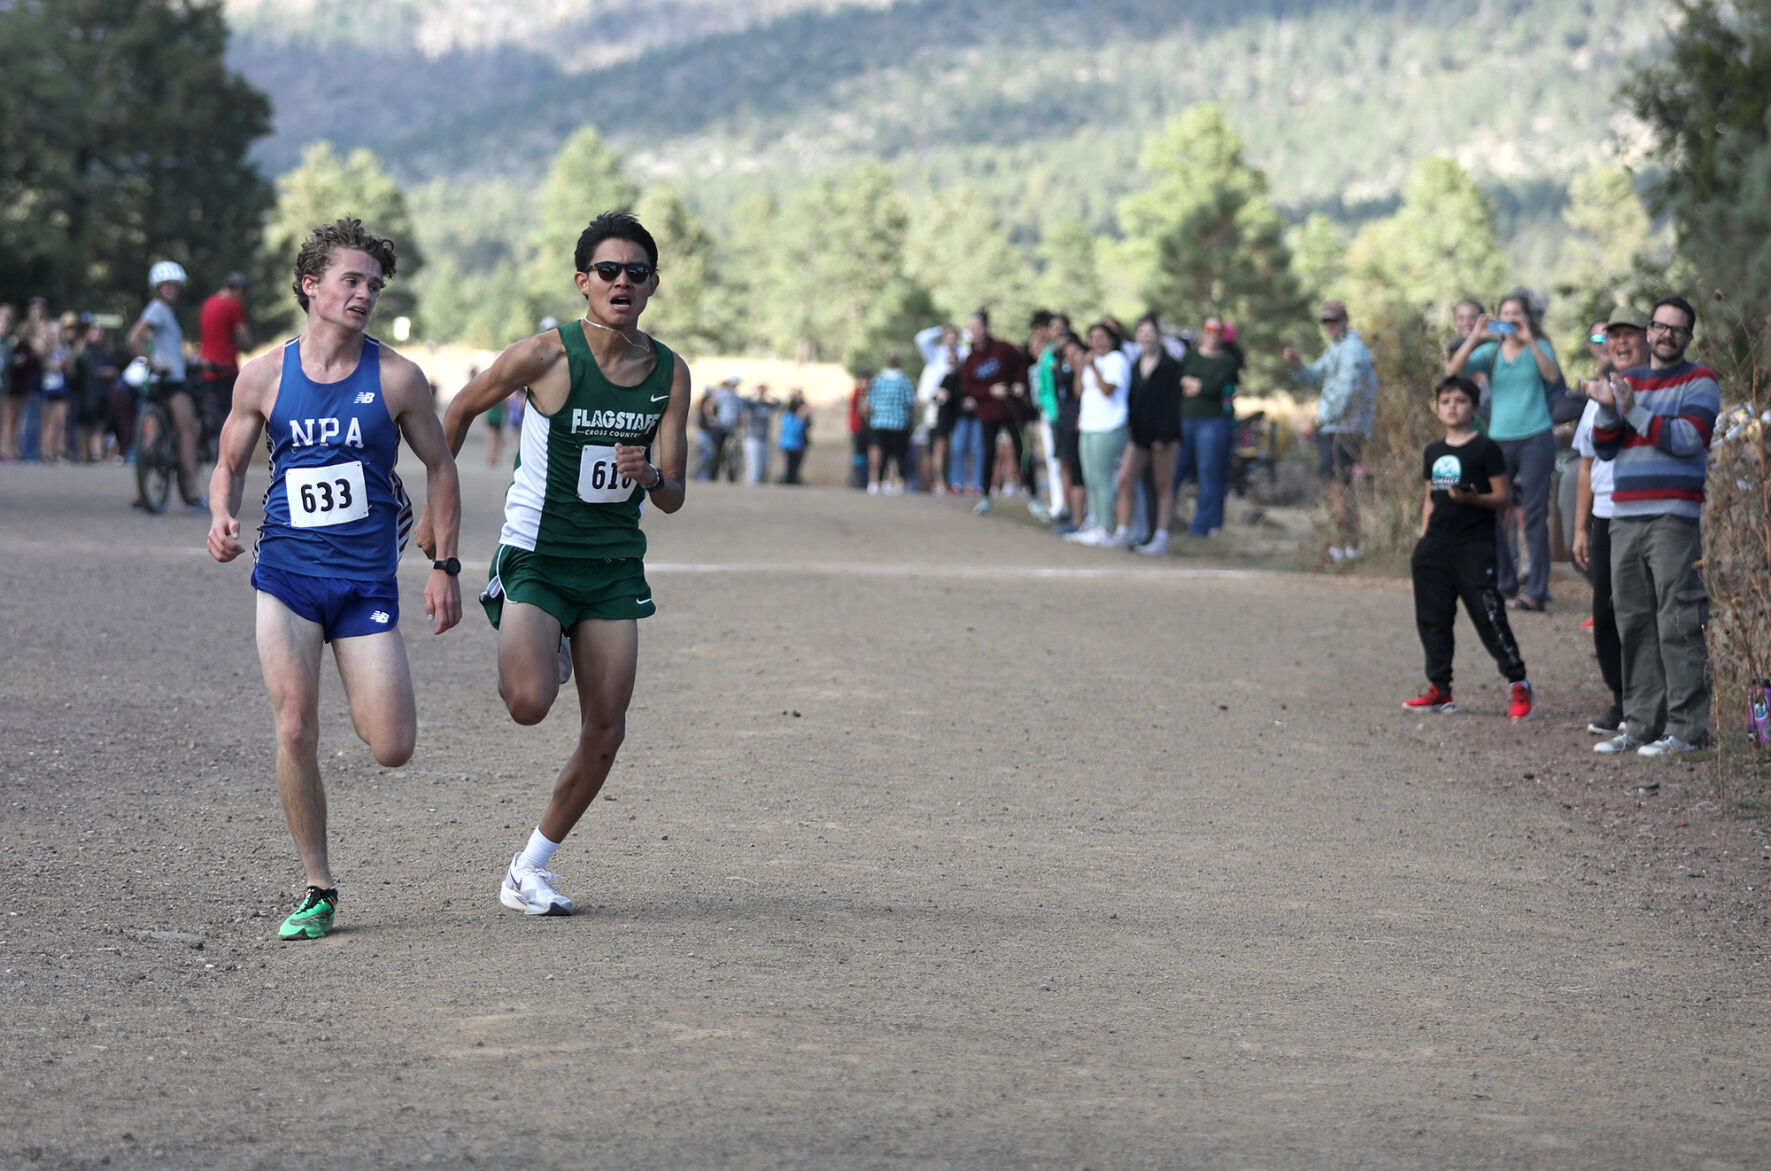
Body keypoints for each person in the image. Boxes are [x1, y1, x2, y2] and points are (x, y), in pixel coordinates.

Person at [425, 210, 690, 916]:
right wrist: (432, 509)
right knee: (528, 703)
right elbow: (456, 412)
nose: (621, 283)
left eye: (636, 272)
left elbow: (675, 496)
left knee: (606, 728)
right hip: (537, 558)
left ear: (653, 284)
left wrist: (650, 475)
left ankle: (529, 865)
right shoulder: (543, 355)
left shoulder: (669, 373)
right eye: (608, 271)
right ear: (583, 281)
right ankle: (544, 641)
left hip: (611, 568)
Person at [206, 217, 463, 940]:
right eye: (351, 281)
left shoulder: (395, 377)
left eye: (374, 285)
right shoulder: (261, 375)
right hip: (286, 573)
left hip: (364, 581)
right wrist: (221, 515)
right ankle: (318, 885)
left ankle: (363, 666)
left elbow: (441, 466)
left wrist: (444, 563)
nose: (364, 295)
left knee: (393, 745)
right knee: (294, 726)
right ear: (310, 286)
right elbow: (227, 462)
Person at [1587, 295, 1718, 756]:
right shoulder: (1630, 380)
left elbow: (1686, 439)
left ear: (1687, 337)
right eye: (1659, 326)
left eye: (1676, 329)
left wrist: (1632, 408)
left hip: (1671, 518)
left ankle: (1687, 731)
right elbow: (1605, 448)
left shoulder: (1700, 381)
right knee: (1634, 622)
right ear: (1649, 331)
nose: (1666, 335)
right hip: (1624, 516)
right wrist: (1608, 407)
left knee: (1678, 619)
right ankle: (1641, 725)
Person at [1403, 376, 1533, 719]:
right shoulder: (1433, 450)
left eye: (1460, 401)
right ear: (1436, 407)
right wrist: (1424, 537)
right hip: (1435, 546)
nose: (1452, 407)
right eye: (1445, 401)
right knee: (1433, 619)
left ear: (1474, 408)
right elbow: (1430, 497)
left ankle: (1518, 684)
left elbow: (1504, 497)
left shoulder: (1486, 448)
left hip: (1474, 547)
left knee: (1489, 616)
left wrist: (1474, 497)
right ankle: (1440, 690)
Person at [1446, 290, 1564, 610]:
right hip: (1499, 440)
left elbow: (1552, 377)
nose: (1511, 318)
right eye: (1506, 312)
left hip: (1536, 439)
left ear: (1526, 317)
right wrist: (1475, 336)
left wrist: (1529, 339)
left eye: (1517, 313)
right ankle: (1504, 582)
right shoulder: (1491, 353)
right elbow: (1453, 372)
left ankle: (1536, 591)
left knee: (1535, 516)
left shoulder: (1540, 348)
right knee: (1495, 513)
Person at [1570, 307, 1651, 737]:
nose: (1618, 345)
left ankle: (1655, 702)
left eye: (1627, 335)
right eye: (1608, 337)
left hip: (1647, 514)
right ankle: (1621, 699)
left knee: (1646, 611)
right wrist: (1580, 527)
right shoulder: (1596, 395)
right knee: (1605, 611)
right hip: (1605, 515)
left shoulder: (1658, 389)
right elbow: (1586, 465)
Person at [1286, 299, 1377, 562]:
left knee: (1338, 487)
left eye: (1333, 320)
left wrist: (1317, 421)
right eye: (1325, 321)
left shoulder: (1351, 350)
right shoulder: (1338, 348)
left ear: (1345, 321)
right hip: (1340, 427)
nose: (1329, 325)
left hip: (1343, 428)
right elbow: (1316, 376)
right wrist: (1297, 365)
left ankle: (1340, 545)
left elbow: (1346, 394)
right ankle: (1350, 546)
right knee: (1342, 487)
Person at [128, 261, 207, 509]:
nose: (171, 289)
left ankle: (142, 494)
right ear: (157, 287)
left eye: (175, 285)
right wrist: (152, 362)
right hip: (171, 382)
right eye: (166, 285)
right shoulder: (158, 310)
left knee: (158, 433)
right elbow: (135, 337)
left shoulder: (164, 312)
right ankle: (192, 491)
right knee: (188, 431)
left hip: (163, 379)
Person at [1115, 315, 1182, 554]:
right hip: (1139, 435)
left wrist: (1164, 436)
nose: (1146, 337)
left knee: (1162, 484)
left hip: (1163, 436)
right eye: (1141, 332)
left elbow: (1173, 404)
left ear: (1158, 335)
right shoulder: (1135, 365)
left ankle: (1161, 537)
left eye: (1150, 332)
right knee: (1125, 480)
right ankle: (1123, 532)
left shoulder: (1171, 366)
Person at [1172, 314, 1241, 538]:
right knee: (1176, 469)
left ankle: (1204, 525)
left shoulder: (1227, 361)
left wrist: (1198, 385)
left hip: (1213, 422)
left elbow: (1214, 387)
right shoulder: (1190, 357)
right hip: (1185, 419)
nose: (1213, 335)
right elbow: (1179, 381)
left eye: (1218, 331)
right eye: (1209, 329)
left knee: (1209, 472)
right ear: (1204, 331)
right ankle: (1165, 520)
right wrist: (1200, 385)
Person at [957, 309, 1029, 514]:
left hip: (1011, 409)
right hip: (987, 413)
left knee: (1021, 450)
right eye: (971, 328)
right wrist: (989, 390)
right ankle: (986, 496)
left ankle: (1031, 494)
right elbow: (968, 387)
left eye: (978, 327)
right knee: (987, 453)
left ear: (986, 327)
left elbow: (1021, 363)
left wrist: (1018, 383)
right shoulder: (970, 359)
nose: (975, 331)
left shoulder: (1003, 348)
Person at [1065, 323, 1130, 546]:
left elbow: (1107, 390)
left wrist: (1093, 367)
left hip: (1109, 425)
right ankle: (1095, 522)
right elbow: (1079, 392)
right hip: (1089, 425)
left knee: (1103, 478)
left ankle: (1106, 525)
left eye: (1102, 336)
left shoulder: (1116, 360)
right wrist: (1081, 369)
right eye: (1093, 337)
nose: (1098, 341)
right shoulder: (1094, 361)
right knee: (1091, 477)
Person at [915, 324, 966, 494]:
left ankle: (954, 482)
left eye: (954, 336)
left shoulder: (963, 353)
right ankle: (937, 482)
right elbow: (921, 339)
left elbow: (975, 342)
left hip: (957, 406)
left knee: (957, 447)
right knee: (937, 445)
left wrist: (964, 331)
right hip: (938, 407)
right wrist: (939, 329)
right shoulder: (936, 355)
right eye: (948, 335)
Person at [198, 272, 252, 420]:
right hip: (226, 367)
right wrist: (241, 343)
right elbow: (243, 336)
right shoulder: (232, 305)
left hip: (206, 366)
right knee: (230, 415)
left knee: (211, 411)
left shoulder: (207, 303)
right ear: (239, 290)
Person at [865, 352, 915, 494]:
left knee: (883, 453)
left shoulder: (878, 380)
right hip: (899, 423)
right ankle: (900, 482)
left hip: (880, 422)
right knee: (900, 454)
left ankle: (879, 482)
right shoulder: (904, 381)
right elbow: (910, 401)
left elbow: (870, 401)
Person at [742, 382, 778, 485]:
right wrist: (754, 390)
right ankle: (751, 485)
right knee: (753, 466)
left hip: (764, 439)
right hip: (752, 439)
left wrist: (770, 392)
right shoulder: (753, 405)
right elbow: (744, 400)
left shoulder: (767, 405)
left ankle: (758, 486)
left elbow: (779, 403)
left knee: (763, 466)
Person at [778, 387, 811, 484]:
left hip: (800, 443)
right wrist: (800, 418)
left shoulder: (803, 409)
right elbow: (791, 429)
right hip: (789, 444)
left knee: (796, 467)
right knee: (790, 468)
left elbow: (808, 425)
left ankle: (794, 481)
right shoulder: (788, 413)